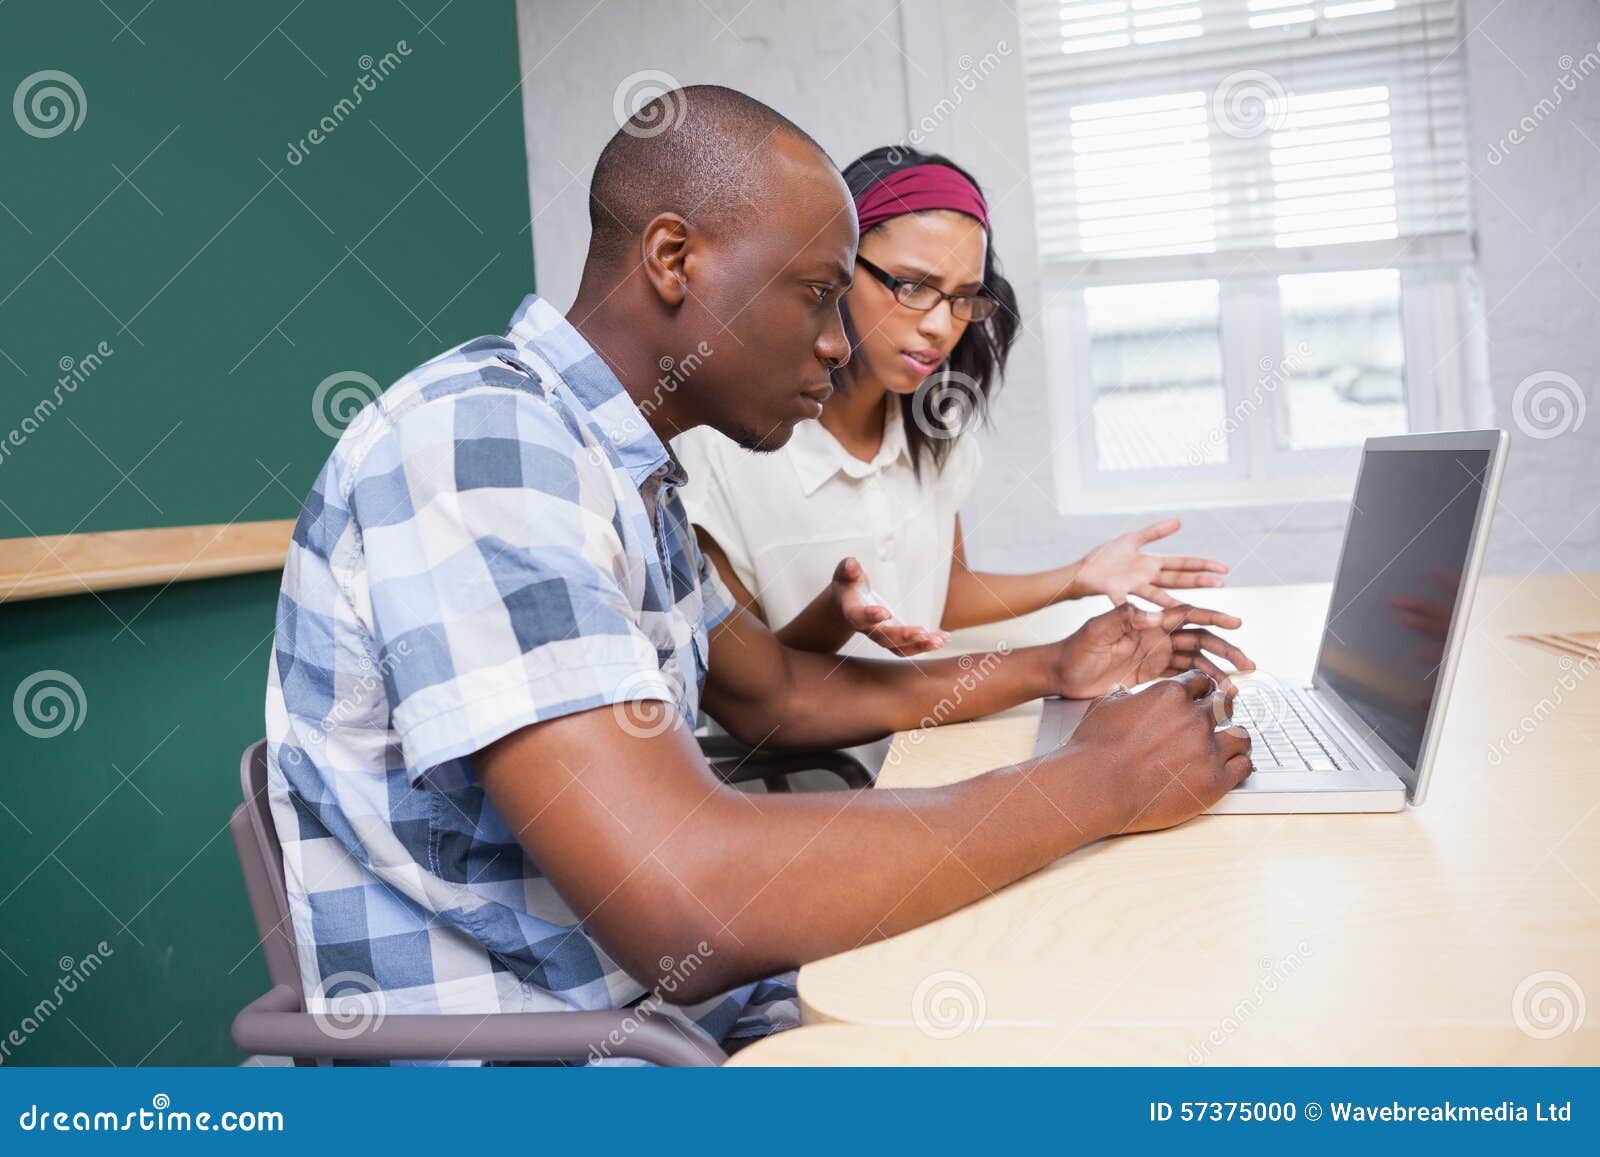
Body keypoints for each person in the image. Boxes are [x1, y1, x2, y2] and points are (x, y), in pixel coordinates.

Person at [264, 86, 1253, 1063]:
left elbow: (774, 693)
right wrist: (1095, 781)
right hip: (564, 1057)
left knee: (1085, 983)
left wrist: (1050, 667)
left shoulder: (622, 469)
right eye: (816, 293)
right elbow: (681, 896)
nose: (836, 341)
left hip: (676, 1014)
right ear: (671, 258)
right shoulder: (484, 442)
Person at [676, 146, 1231, 662]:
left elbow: (941, 593)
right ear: (834, 268)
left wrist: (1080, 575)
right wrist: (836, 619)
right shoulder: (720, 451)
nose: (942, 326)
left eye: (963, 298)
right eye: (913, 286)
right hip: (826, 768)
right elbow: (755, 692)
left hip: (923, 736)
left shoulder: (934, 437)